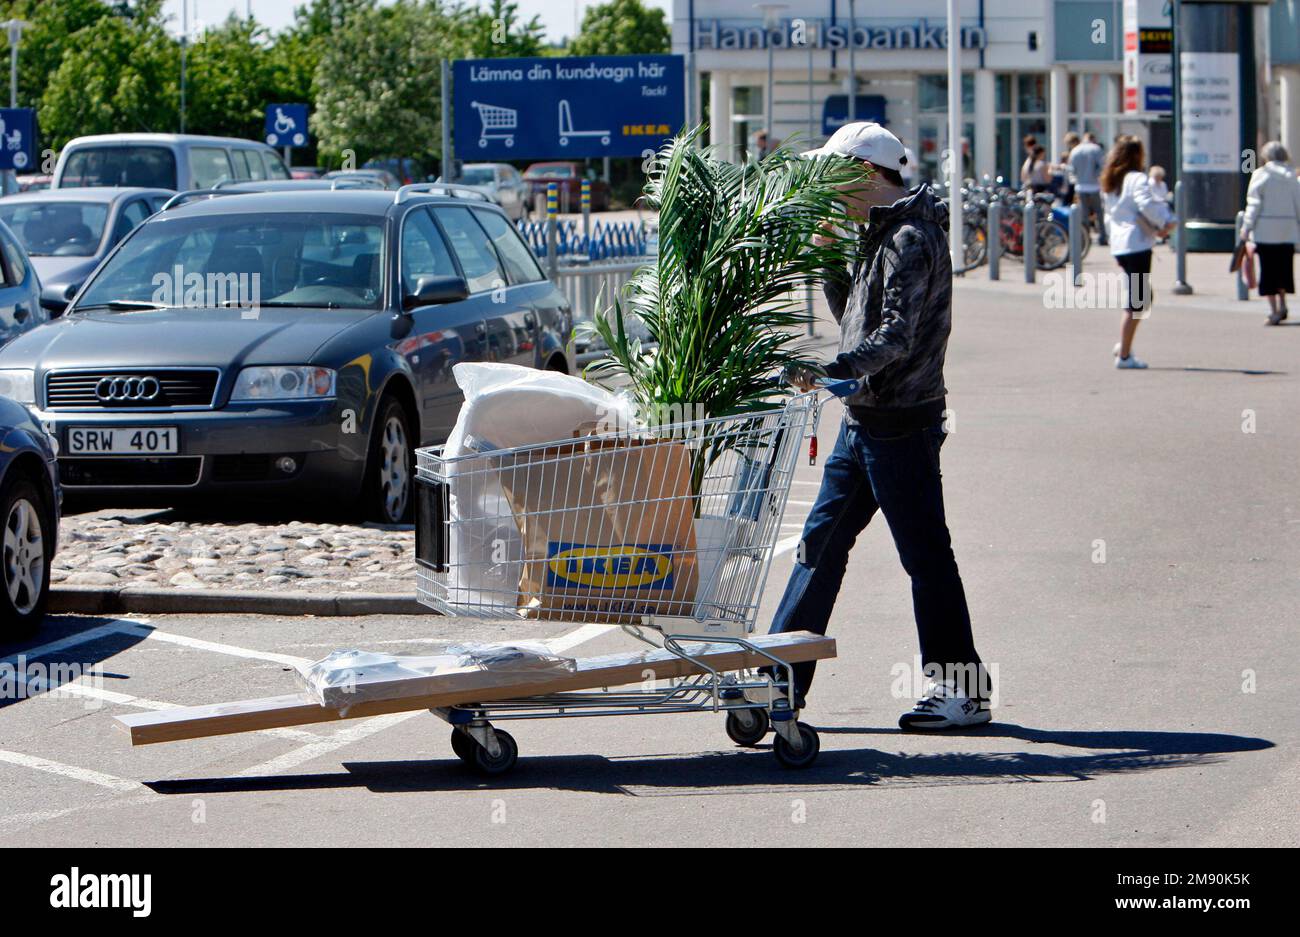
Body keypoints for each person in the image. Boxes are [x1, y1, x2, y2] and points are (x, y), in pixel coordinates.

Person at [769, 121, 991, 730]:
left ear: (865, 172)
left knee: (925, 557)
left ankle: (963, 689)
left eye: (836, 174)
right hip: (866, 417)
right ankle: (779, 678)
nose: (827, 185)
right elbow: (854, 319)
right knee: (821, 546)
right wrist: (831, 259)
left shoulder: (912, 237)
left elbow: (895, 336)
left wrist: (832, 371)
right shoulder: (879, 232)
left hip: (901, 421)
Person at [1101, 135, 1173, 369]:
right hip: (1136, 243)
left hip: (1121, 244)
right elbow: (1147, 205)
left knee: (1141, 297)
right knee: (1138, 301)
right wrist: (1165, 221)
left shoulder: (1111, 180)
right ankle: (1124, 354)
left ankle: (1124, 343)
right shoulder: (1136, 179)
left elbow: (1110, 215)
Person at [1241, 141, 1300, 326]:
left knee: (1267, 271)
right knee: (1283, 269)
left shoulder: (1261, 175)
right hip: (1288, 230)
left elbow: (1254, 204)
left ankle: (1274, 310)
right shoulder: (1291, 175)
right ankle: (1283, 303)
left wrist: (1246, 227)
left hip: (1265, 230)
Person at [1070, 131, 1107, 246]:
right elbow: (1102, 166)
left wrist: (1077, 179)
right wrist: (1096, 176)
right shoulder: (1096, 149)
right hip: (1094, 186)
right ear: (1093, 139)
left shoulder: (1075, 150)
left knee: (1083, 214)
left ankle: (1085, 238)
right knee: (1099, 213)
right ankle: (1102, 237)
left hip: (1080, 186)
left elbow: (1072, 169)